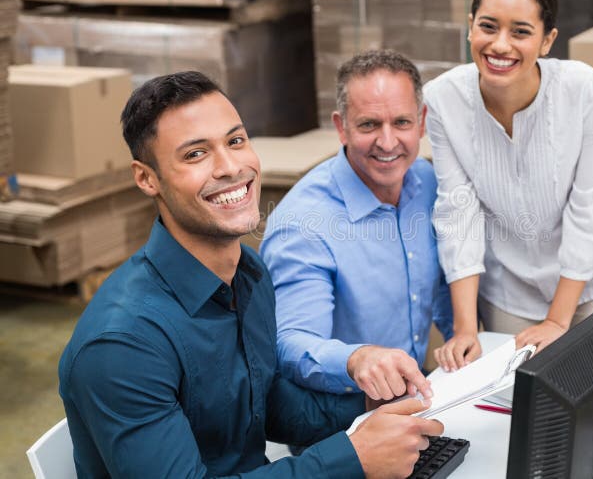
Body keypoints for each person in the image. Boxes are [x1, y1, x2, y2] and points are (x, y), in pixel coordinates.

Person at [58, 71, 444, 478]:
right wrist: (355, 458)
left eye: (236, 141)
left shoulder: (247, 272)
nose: (230, 167)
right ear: (147, 178)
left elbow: (268, 402)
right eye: (195, 154)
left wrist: (369, 407)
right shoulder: (122, 344)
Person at [423, 0, 593, 371]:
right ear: (470, 27)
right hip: (509, 295)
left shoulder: (587, 92)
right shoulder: (443, 99)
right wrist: (467, 328)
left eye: (520, 31)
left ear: (548, 40)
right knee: (514, 410)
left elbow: (589, 209)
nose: (500, 45)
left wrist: (557, 320)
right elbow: (457, 210)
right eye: (488, 26)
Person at [261, 50, 452, 402]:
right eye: (369, 125)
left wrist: (460, 334)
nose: (388, 141)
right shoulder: (303, 224)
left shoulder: (426, 182)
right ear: (341, 127)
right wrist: (357, 358)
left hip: (415, 399)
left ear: (421, 122)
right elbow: (291, 343)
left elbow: (441, 280)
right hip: (338, 421)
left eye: (402, 123)